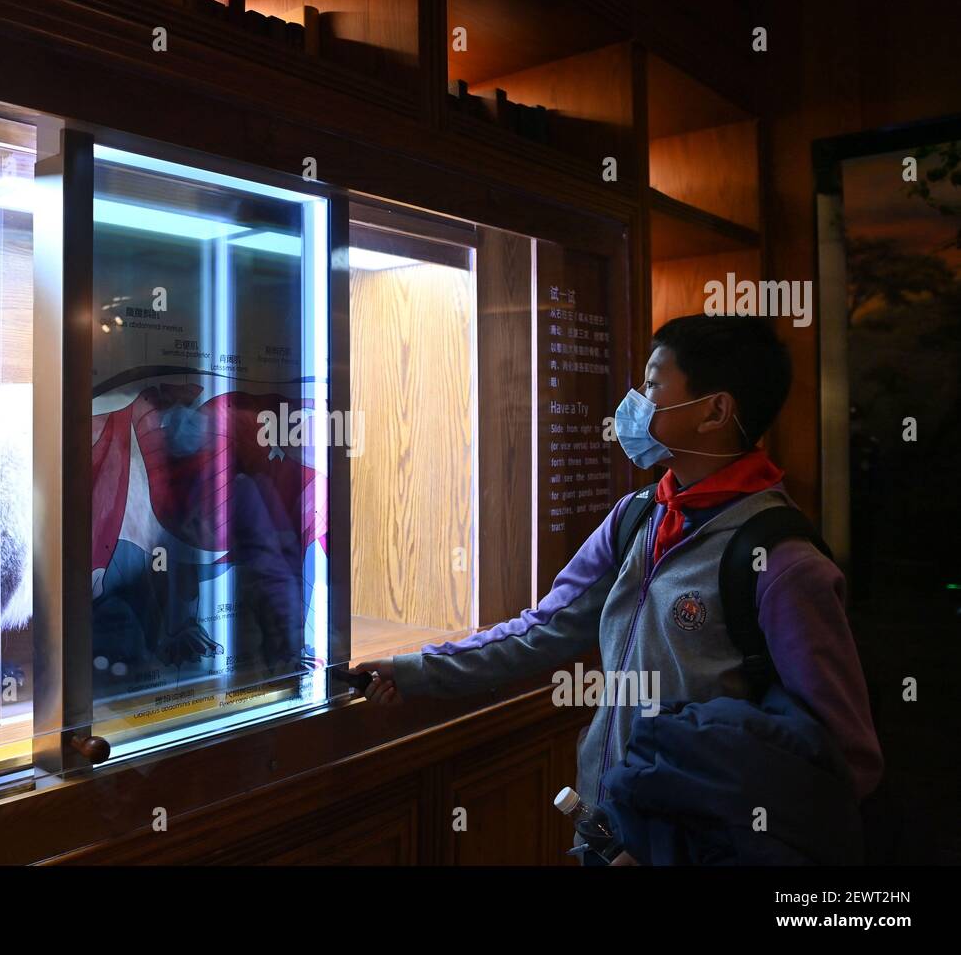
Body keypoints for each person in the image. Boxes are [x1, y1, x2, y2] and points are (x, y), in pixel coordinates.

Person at [348, 314, 884, 848]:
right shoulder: (638, 517)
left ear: (715, 410)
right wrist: (414, 671)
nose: (635, 402)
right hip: (607, 825)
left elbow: (844, 756)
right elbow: (543, 628)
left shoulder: (781, 559)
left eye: (652, 384)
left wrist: (678, 854)